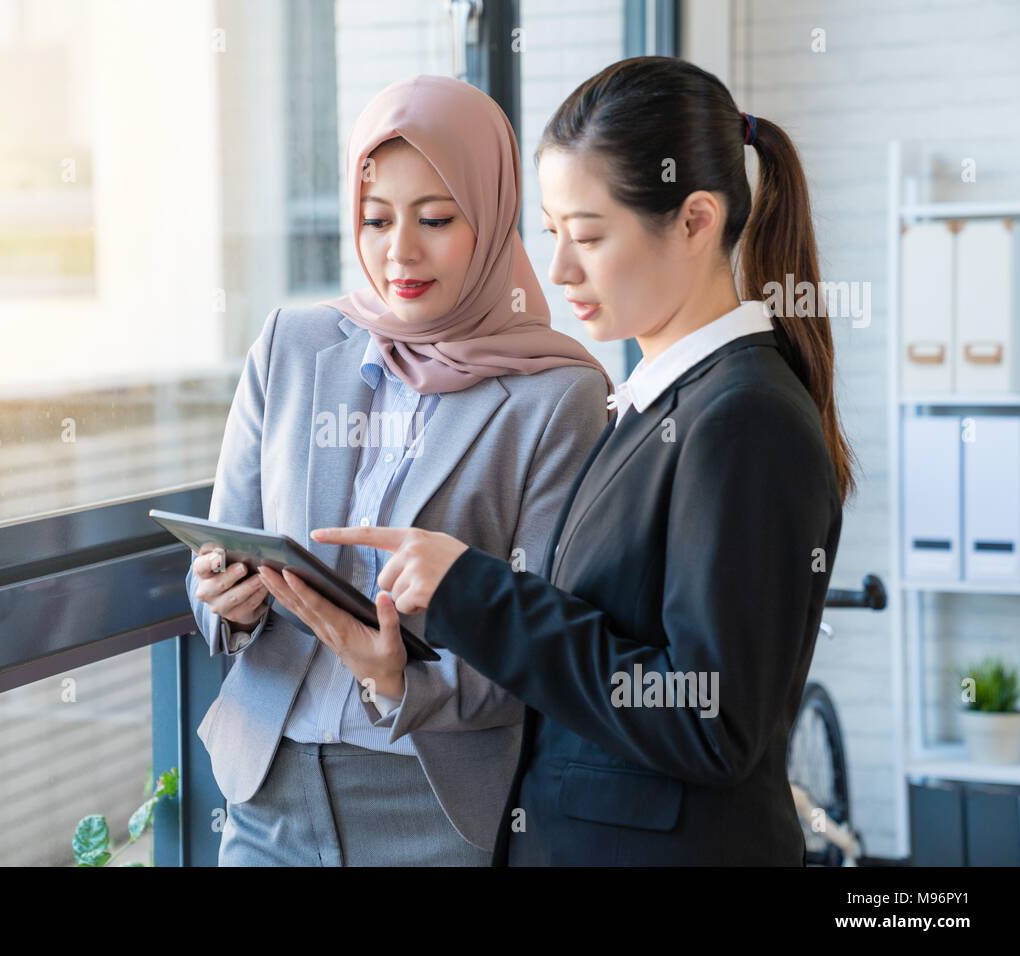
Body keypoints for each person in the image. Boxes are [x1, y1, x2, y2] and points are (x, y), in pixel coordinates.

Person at [312, 56, 857, 865]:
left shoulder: (743, 417)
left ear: (695, 220)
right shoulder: (660, 400)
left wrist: (477, 592)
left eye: (590, 236)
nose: (560, 271)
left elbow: (709, 717)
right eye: (552, 233)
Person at [184, 74, 613, 866]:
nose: (399, 252)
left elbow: (549, 644)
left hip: (430, 810)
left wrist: (402, 678)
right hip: (265, 796)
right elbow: (219, 551)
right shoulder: (293, 346)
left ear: (490, 218)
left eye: (437, 219)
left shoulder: (560, 397)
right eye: (375, 220)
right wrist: (225, 600)